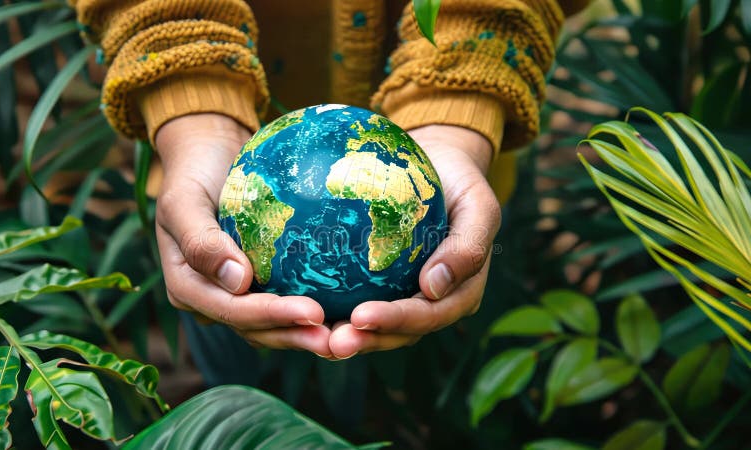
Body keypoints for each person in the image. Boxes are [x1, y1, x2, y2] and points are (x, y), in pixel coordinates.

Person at [71, 0, 589, 360]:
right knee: (233, 353)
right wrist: (196, 117)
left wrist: (458, 125)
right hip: (217, 208)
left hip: (463, 192)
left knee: (467, 347)